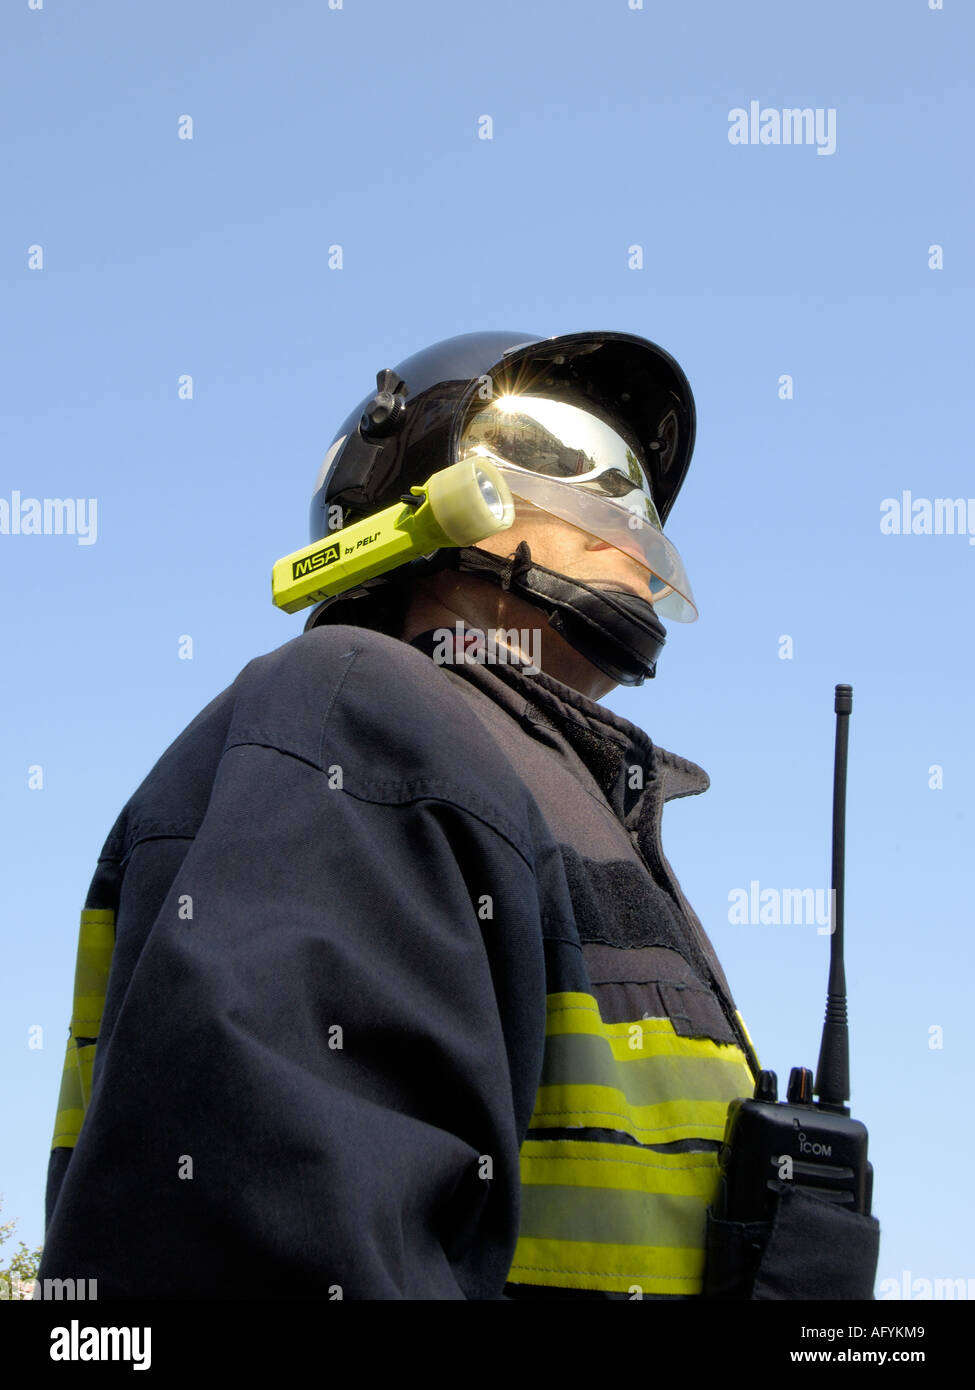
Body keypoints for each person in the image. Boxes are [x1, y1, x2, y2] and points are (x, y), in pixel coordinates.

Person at [38, 329, 880, 1300]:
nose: (624, 510)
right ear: (424, 499)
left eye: (637, 489)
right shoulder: (366, 717)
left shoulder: (562, 797)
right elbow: (263, 1243)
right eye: (567, 456)